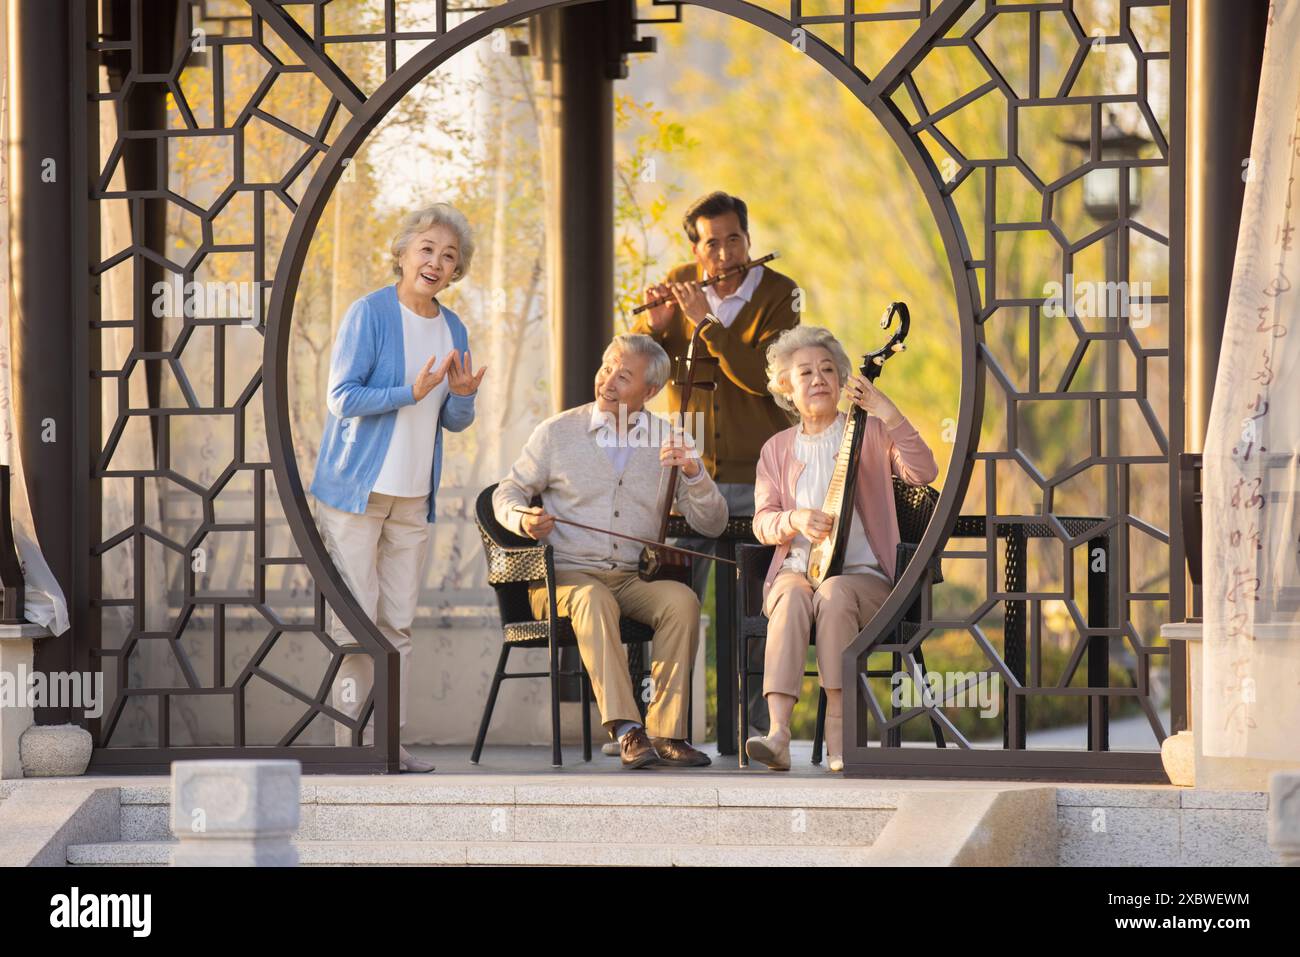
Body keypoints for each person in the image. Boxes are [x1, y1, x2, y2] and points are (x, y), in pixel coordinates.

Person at [493, 334, 728, 769]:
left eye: (624, 376)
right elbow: (506, 491)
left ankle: (668, 732)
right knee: (592, 598)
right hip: (562, 578)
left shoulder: (669, 438)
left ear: (650, 391)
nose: (608, 381)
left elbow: (711, 523)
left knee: (683, 601)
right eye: (607, 368)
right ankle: (626, 730)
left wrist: (694, 473)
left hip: (628, 578)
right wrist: (522, 518)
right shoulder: (557, 432)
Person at [310, 203, 486, 774]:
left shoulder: (454, 326)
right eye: (427, 249)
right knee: (356, 619)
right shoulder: (369, 313)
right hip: (358, 492)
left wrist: (461, 395)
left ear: (457, 270)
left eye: (449, 256)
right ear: (404, 254)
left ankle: (389, 740)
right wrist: (408, 391)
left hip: (413, 495)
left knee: (398, 624)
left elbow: (454, 421)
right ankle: (350, 741)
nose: (436, 262)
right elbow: (343, 398)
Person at [632, 191, 799, 736]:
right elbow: (646, 373)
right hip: (692, 477)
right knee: (673, 600)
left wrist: (705, 324)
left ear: (749, 240)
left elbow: (766, 378)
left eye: (734, 240)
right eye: (712, 244)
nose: (724, 254)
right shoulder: (681, 282)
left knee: (757, 610)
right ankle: (663, 728)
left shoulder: (782, 294)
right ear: (696, 251)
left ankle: (751, 729)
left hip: (759, 481)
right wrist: (658, 327)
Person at [748, 325, 938, 772]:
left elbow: (924, 471)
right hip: (797, 570)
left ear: (842, 380)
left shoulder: (868, 432)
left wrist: (888, 412)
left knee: (833, 596)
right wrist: (793, 520)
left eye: (828, 370)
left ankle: (841, 735)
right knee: (794, 596)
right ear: (786, 388)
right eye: (805, 372)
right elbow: (761, 523)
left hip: (864, 580)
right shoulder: (776, 450)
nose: (818, 379)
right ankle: (777, 734)